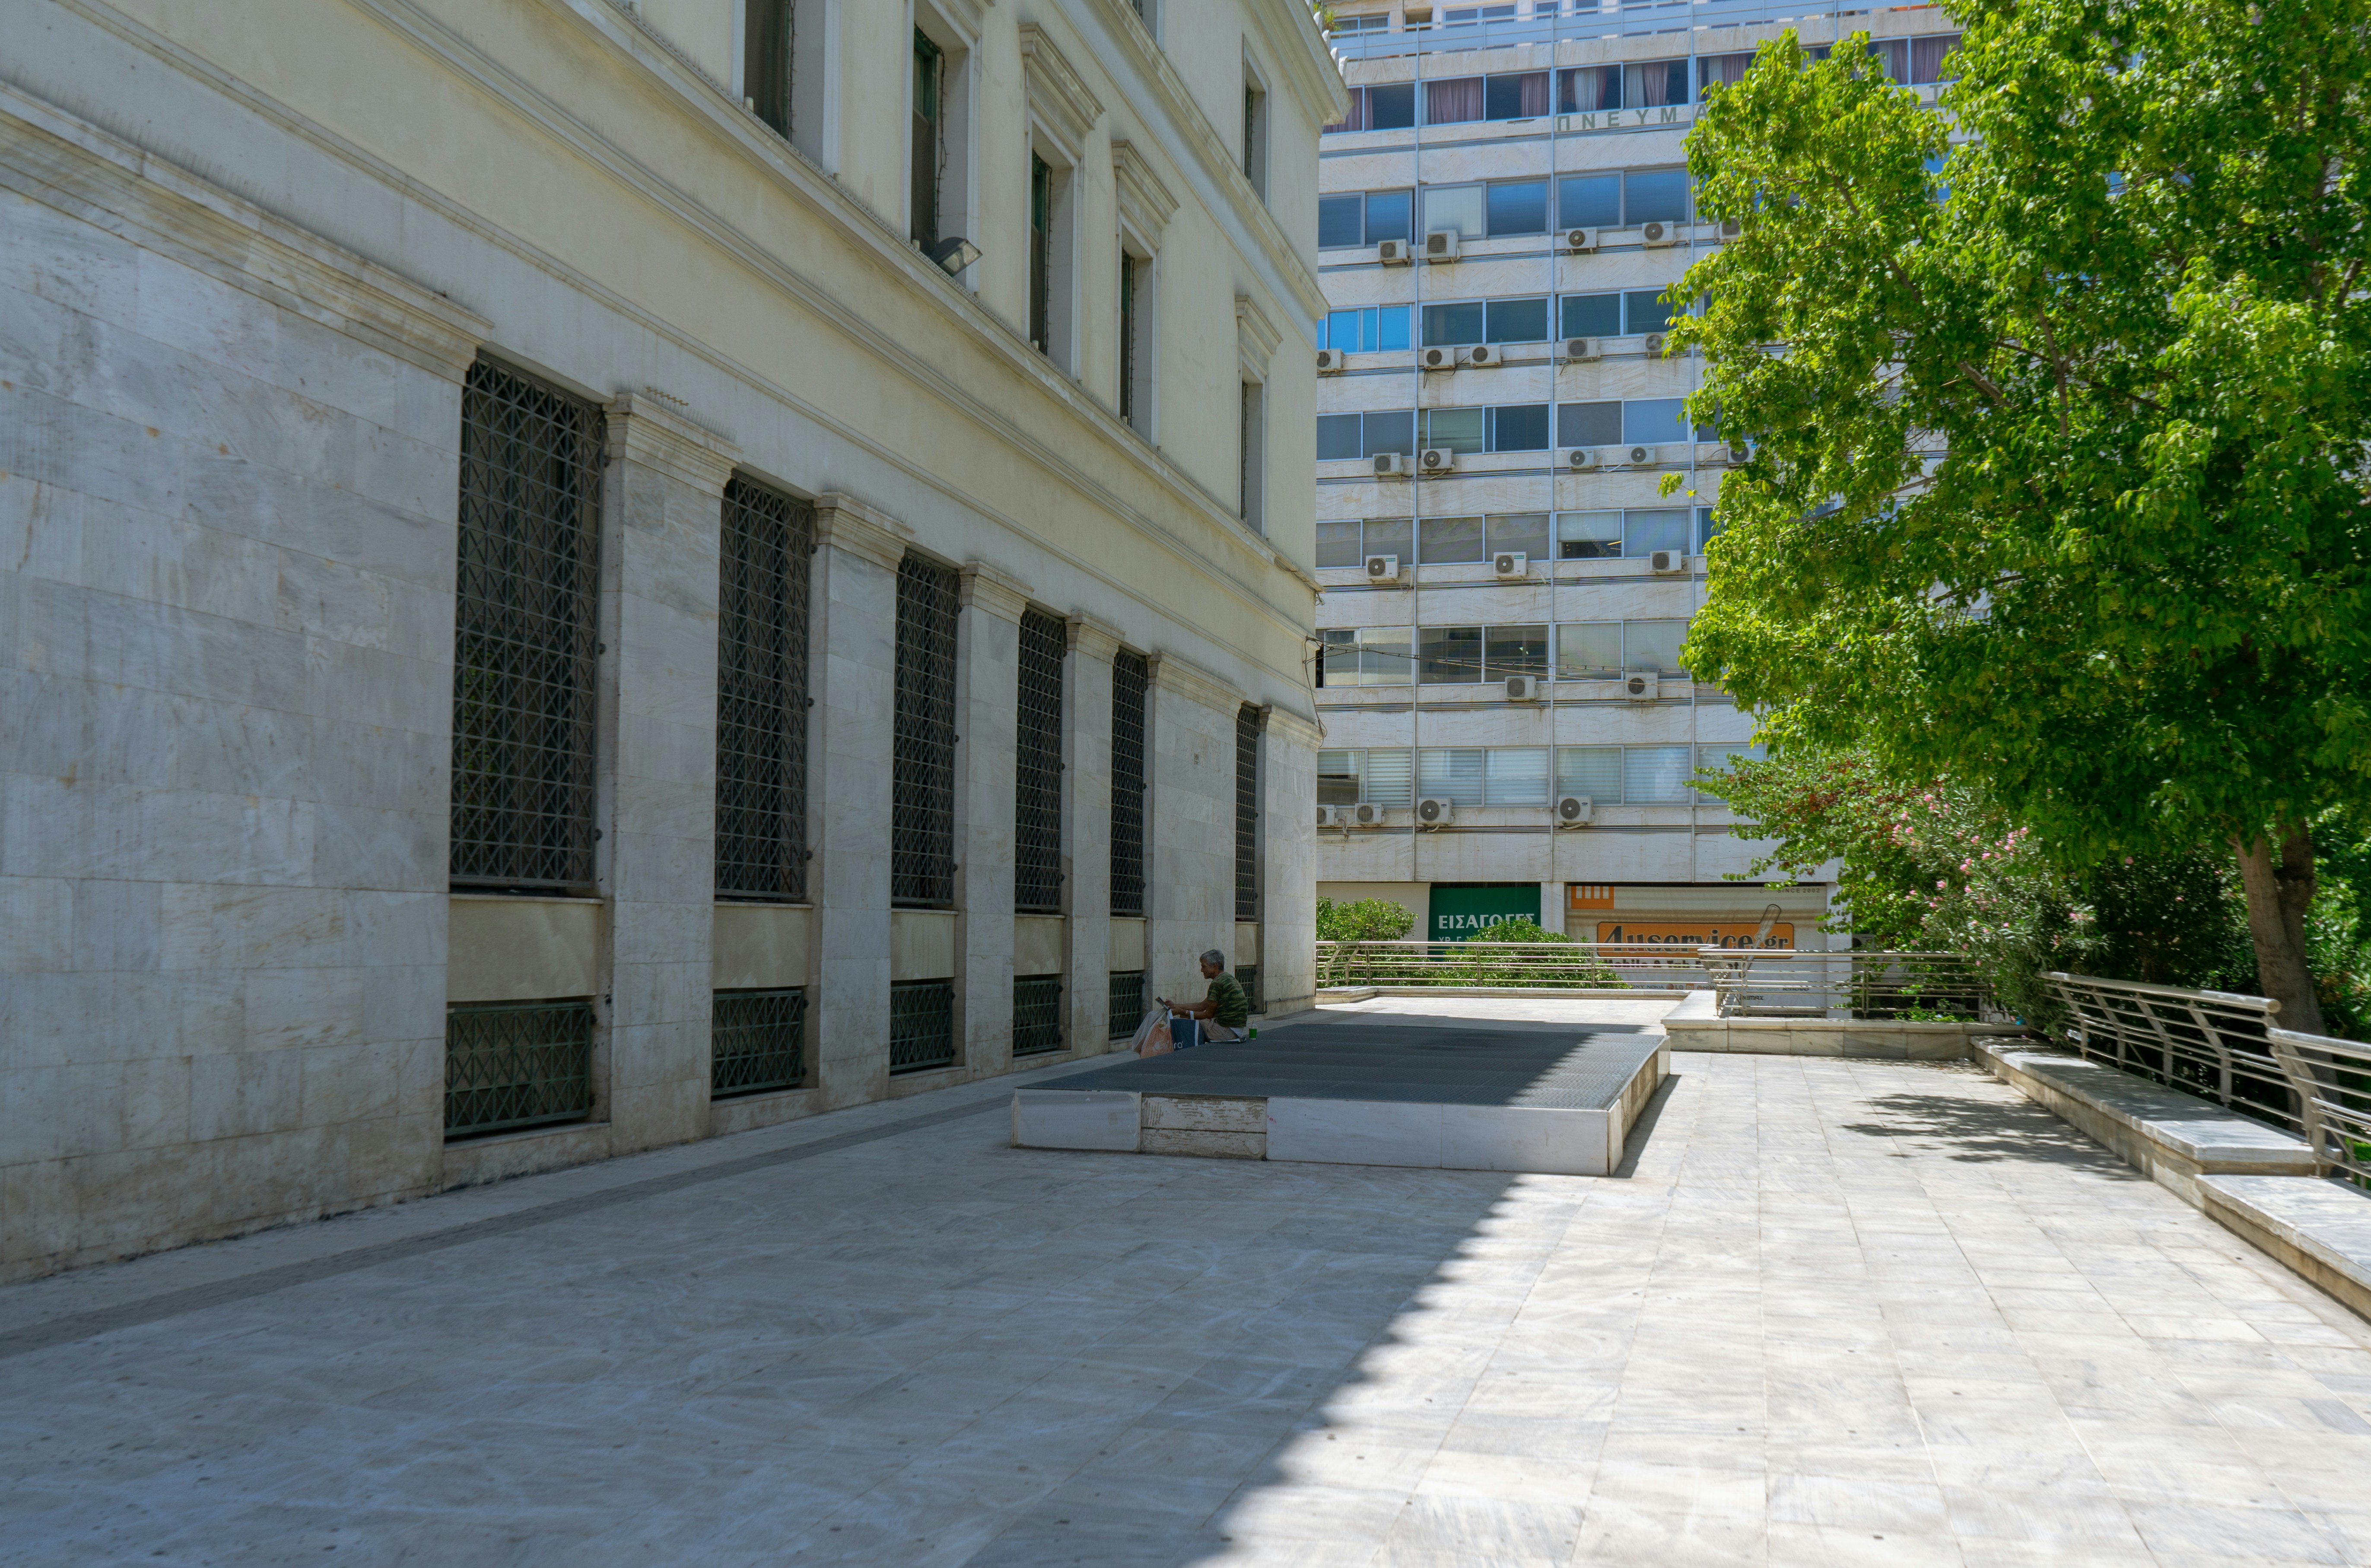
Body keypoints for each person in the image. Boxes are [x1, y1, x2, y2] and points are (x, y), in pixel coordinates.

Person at [1157, 950, 1250, 1044]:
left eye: (1204, 966)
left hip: (1225, 1033)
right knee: (1185, 1016)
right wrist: (1176, 1006)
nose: (1202, 970)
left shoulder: (1217, 984)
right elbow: (1203, 1005)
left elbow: (1208, 1014)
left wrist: (1182, 1012)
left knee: (1184, 1019)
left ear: (1215, 966)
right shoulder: (1227, 979)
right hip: (1235, 1032)